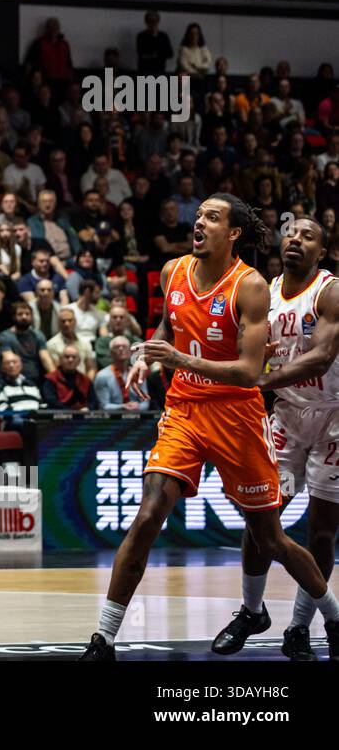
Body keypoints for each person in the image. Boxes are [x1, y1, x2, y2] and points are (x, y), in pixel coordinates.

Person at [81, 195, 339, 660]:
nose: (199, 222)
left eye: (211, 217)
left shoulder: (251, 286)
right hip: (185, 409)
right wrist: (149, 354)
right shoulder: (172, 271)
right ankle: (104, 637)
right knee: (148, 514)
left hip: (240, 415)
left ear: (234, 232)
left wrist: (179, 358)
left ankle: (331, 616)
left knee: (271, 536)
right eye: (198, 215)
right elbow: (167, 327)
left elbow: (248, 372)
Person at [213, 216, 339, 660]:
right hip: (286, 416)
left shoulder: (330, 290)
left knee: (322, 533)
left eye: (308, 236)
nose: (296, 239)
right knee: (261, 519)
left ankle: (301, 628)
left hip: (333, 418)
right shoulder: (263, 292)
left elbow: (322, 357)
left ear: (321, 253)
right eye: (291, 232)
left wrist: (260, 381)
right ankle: (251, 610)